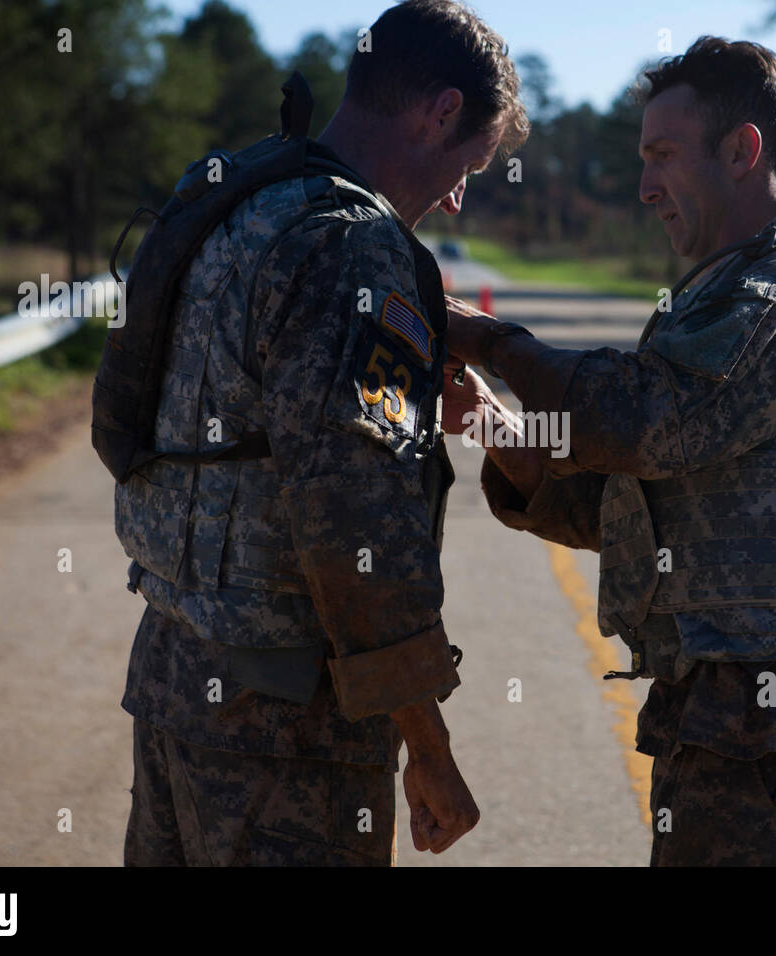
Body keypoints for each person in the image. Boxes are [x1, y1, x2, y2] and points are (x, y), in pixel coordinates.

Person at [443, 37, 776, 866]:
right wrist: (491, 422)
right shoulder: (727, 301)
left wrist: (490, 338)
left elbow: (646, 424)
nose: (643, 187)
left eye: (663, 156)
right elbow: (633, 505)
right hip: (726, 725)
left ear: (743, 151)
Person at [115, 0, 528, 866]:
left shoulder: (239, 198)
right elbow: (355, 526)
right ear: (440, 111)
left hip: (170, 686)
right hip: (286, 738)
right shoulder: (354, 248)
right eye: (470, 165)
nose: (457, 197)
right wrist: (430, 742)